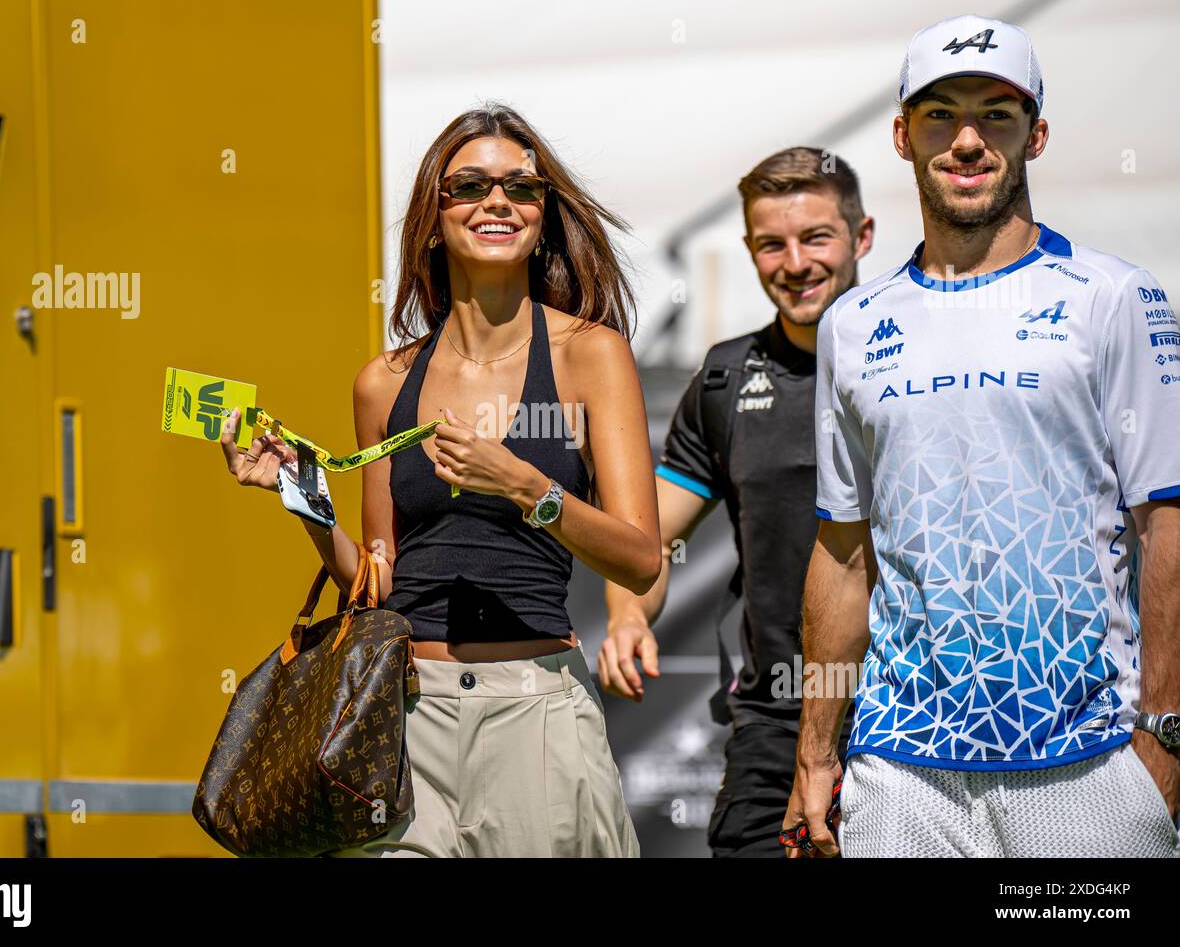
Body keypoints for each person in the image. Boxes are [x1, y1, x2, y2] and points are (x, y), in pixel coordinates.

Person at [785, 14, 1180, 857]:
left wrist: (1166, 741)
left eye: (995, 115)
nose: (967, 141)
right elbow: (843, 551)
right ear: (901, 135)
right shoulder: (852, 325)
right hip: (900, 774)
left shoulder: (1114, 297)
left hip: (1090, 765)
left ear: (1036, 134)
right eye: (940, 115)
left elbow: (1169, 527)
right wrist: (817, 752)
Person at [219, 103, 659, 857]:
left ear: (543, 216)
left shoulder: (593, 355)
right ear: (433, 216)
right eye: (470, 186)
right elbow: (376, 584)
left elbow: (641, 557)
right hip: (404, 723)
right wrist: (303, 498)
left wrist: (526, 487)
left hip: (538, 718)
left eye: (521, 188)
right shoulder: (383, 383)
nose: (498, 202)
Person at [600, 147, 874, 856]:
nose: (795, 262)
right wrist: (629, 615)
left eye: (816, 237)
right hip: (775, 727)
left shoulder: (921, 364)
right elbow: (645, 537)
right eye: (771, 244)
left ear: (862, 237)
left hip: (911, 722)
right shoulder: (725, 379)